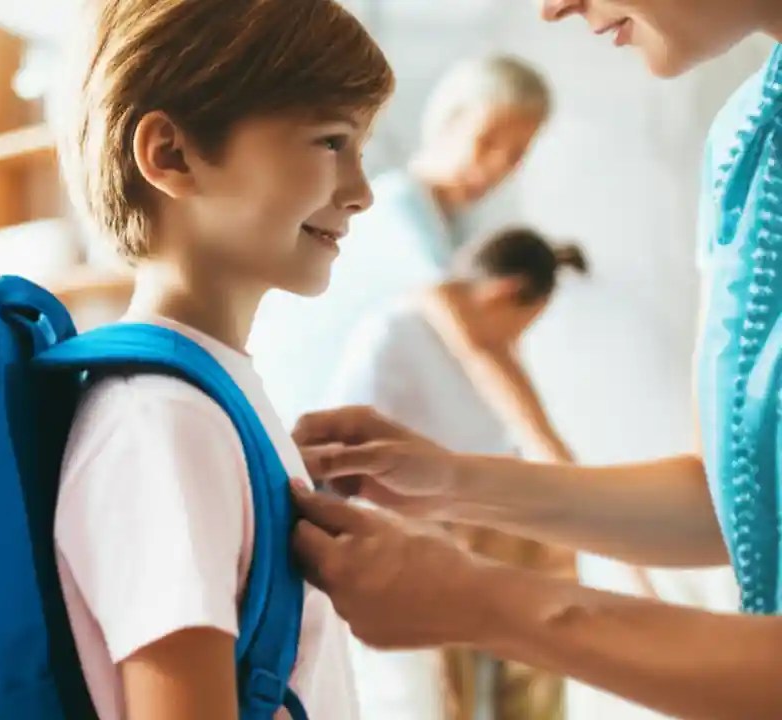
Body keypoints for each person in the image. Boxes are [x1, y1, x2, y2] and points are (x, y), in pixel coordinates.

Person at [288, 1, 782, 717]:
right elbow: (730, 505)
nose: (553, 6)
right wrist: (454, 481)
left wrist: (486, 602)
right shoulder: (741, 145)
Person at [51, 1, 394, 718]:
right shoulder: (162, 420)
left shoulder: (207, 395)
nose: (361, 193)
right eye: (332, 142)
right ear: (171, 155)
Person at [330, 227, 588, 720]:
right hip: (403, 525)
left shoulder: (473, 352)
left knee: (552, 589)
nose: (516, 343)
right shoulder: (400, 330)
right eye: (520, 325)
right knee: (441, 674)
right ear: (502, 295)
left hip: (466, 518)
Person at [251, 55, 553, 427]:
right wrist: (553, 456)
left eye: (515, 154)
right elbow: (473, 340)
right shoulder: (399, 208)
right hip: (290, 423)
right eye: (486, 141)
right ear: (449, 122)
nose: (496, 166)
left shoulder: (457, 230)